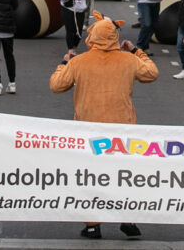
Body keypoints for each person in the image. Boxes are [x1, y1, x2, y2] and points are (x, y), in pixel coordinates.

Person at [50, 12, 158, 240]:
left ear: (92, 38)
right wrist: (136, 51)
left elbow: (57, 86)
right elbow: (151, 73)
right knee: (123, 175)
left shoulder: (79, 62)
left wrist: (63, 63)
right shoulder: (128, 60)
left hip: (88, 131)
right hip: (123, 130)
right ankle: (127, 218)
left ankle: (92, 224)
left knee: (91, 177)